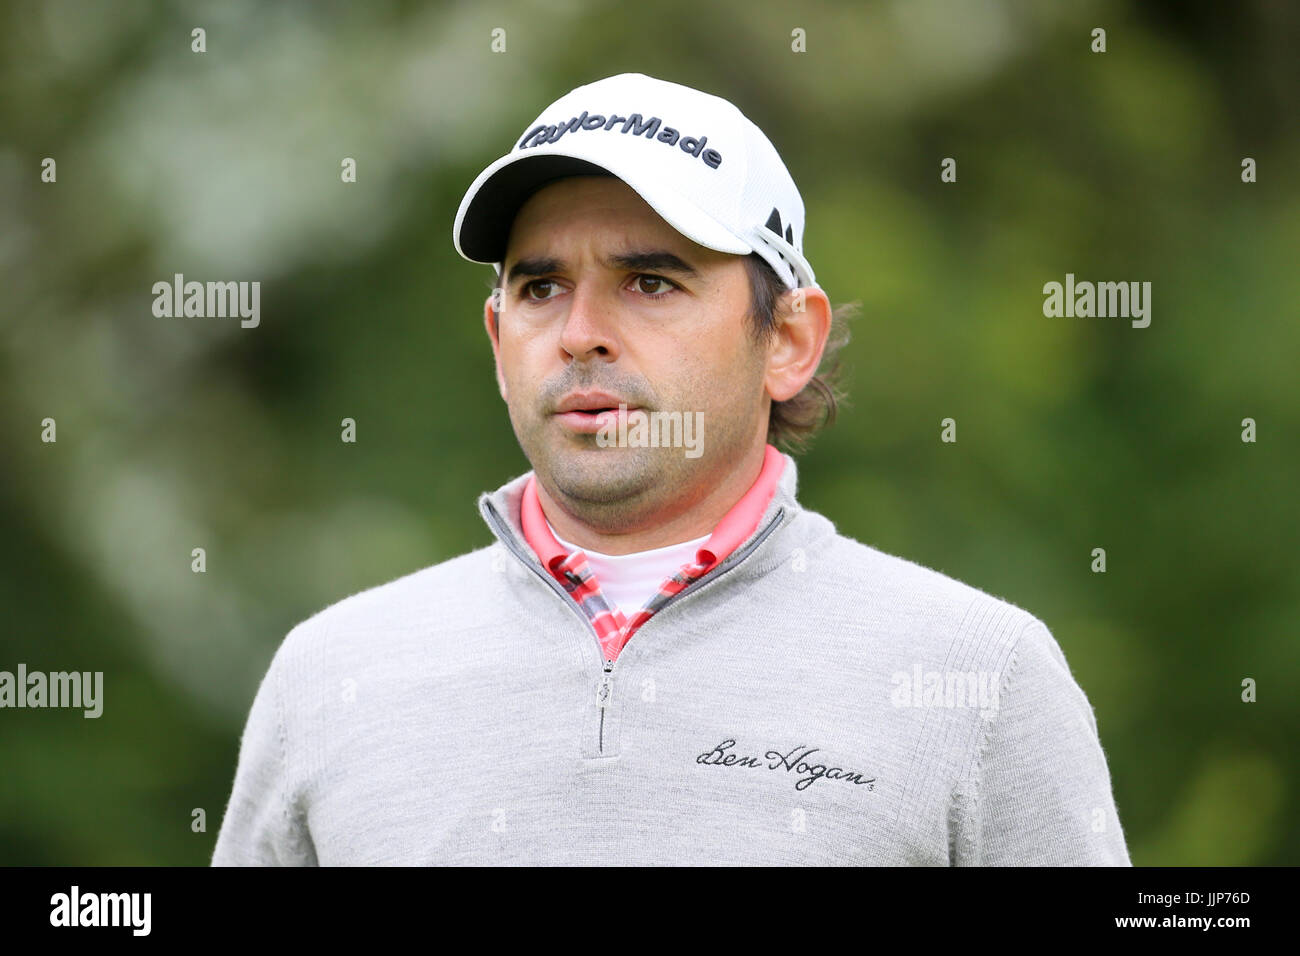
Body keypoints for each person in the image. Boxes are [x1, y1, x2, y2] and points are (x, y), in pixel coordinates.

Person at [212, 72, 1130, 865]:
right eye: (540, 287)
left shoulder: (983, 677)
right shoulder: (329, 675)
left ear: (789, 341)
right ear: (498, 343)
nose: (579, 333)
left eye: (651, 281)